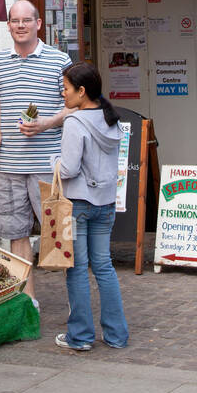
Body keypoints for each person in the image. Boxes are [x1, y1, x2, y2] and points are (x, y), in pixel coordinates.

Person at [0, 0, 73, 308]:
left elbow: (71, 106)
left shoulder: (60, 60)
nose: (20, 25)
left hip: (47, 164)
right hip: (9, 163)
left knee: (58, 235)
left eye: (26, 20)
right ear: (8, 25)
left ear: (38, 24)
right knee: (15, 233)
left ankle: (77, 307)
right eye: (14, 20)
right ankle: (28, 300)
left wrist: (45, 123)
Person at [51, 62, 128, 351]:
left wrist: (53, 163)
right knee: (105, 267)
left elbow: (68, 169)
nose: (63, 94)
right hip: (106, 203)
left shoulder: (75, 122)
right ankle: (116, 335)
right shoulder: (111, 119)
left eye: (67, 88)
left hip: (78, 204)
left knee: (78, 269)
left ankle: (81, 337)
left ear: (82, 92)